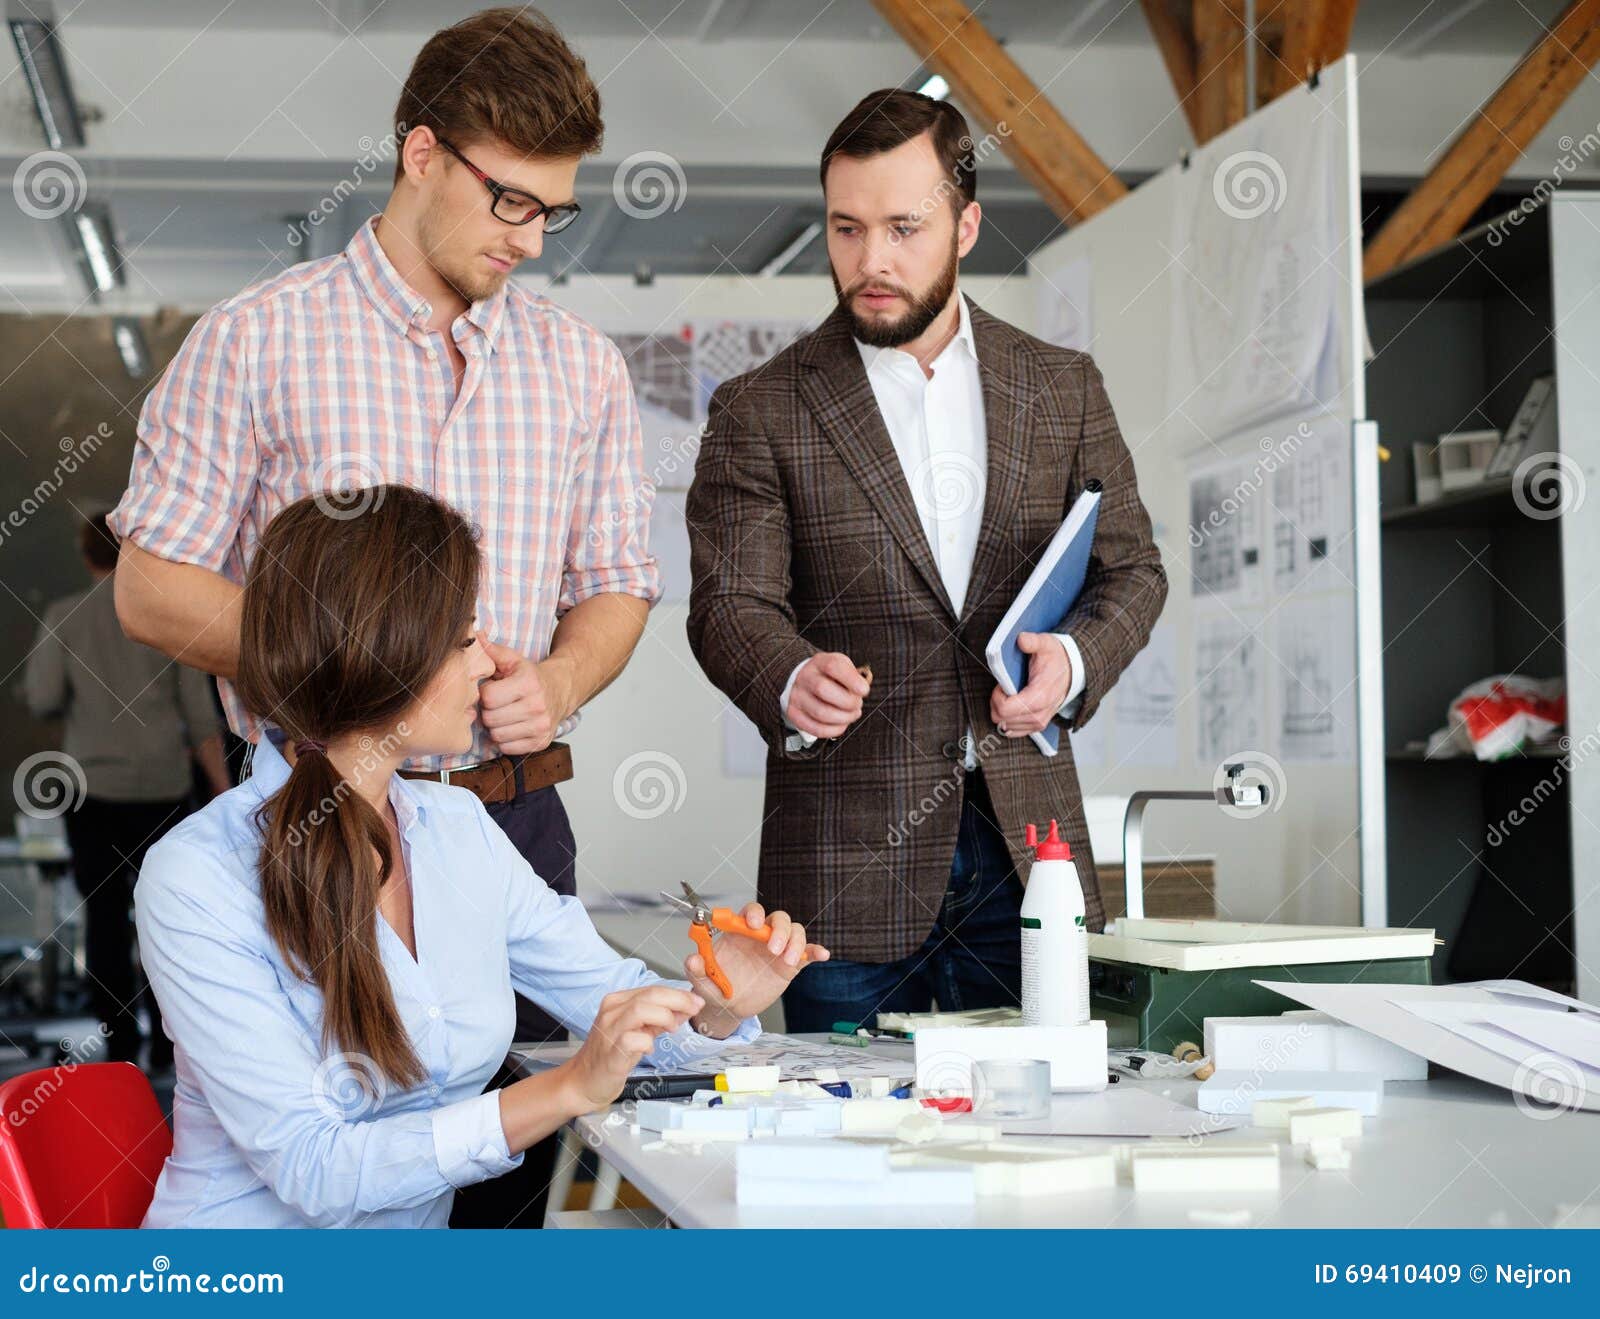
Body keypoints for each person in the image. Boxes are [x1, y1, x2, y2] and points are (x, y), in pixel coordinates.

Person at [108, 7, 655, 1222]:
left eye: (553, 212)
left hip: (507, 820)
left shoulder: (580, 367)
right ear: (420, 154)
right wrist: (367, 670)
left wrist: (559, 682)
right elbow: (151, 585)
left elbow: (620, 583)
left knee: (517, 1174)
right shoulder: (258, 339)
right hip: (313, 820)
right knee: (327, 1158)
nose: (532, 238)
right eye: (509, 200)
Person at [134, 486, 824, 1228]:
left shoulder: (456, 827)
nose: (492, 662)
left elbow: (611, 994)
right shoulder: (199, 875)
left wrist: (717, 1005)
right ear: (388, 655)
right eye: (466, 638)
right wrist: (566, 1087)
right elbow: (317, 1170)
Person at [686, 90, 1168, 1033]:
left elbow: (1134, 572)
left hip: (1032, 858)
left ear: (967, 224)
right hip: (842, 870)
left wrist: (1069, 662)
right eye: (847, 228)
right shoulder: (760, 408)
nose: (872, 261)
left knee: (1039, 1145)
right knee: (842, 1151)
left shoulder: (1063, 387)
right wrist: (787, 674)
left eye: (905, 228)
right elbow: (728, 605)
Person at [23, 512, 231, 1067]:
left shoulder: (64, 617)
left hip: (93, 792)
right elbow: (201, 719)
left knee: (104, 915)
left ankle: (118, 1041)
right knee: (170, 915)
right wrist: (223, 792)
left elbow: (41, 696)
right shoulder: (164, 620)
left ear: (87, 555)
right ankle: (170, 1042)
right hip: (164, 789)